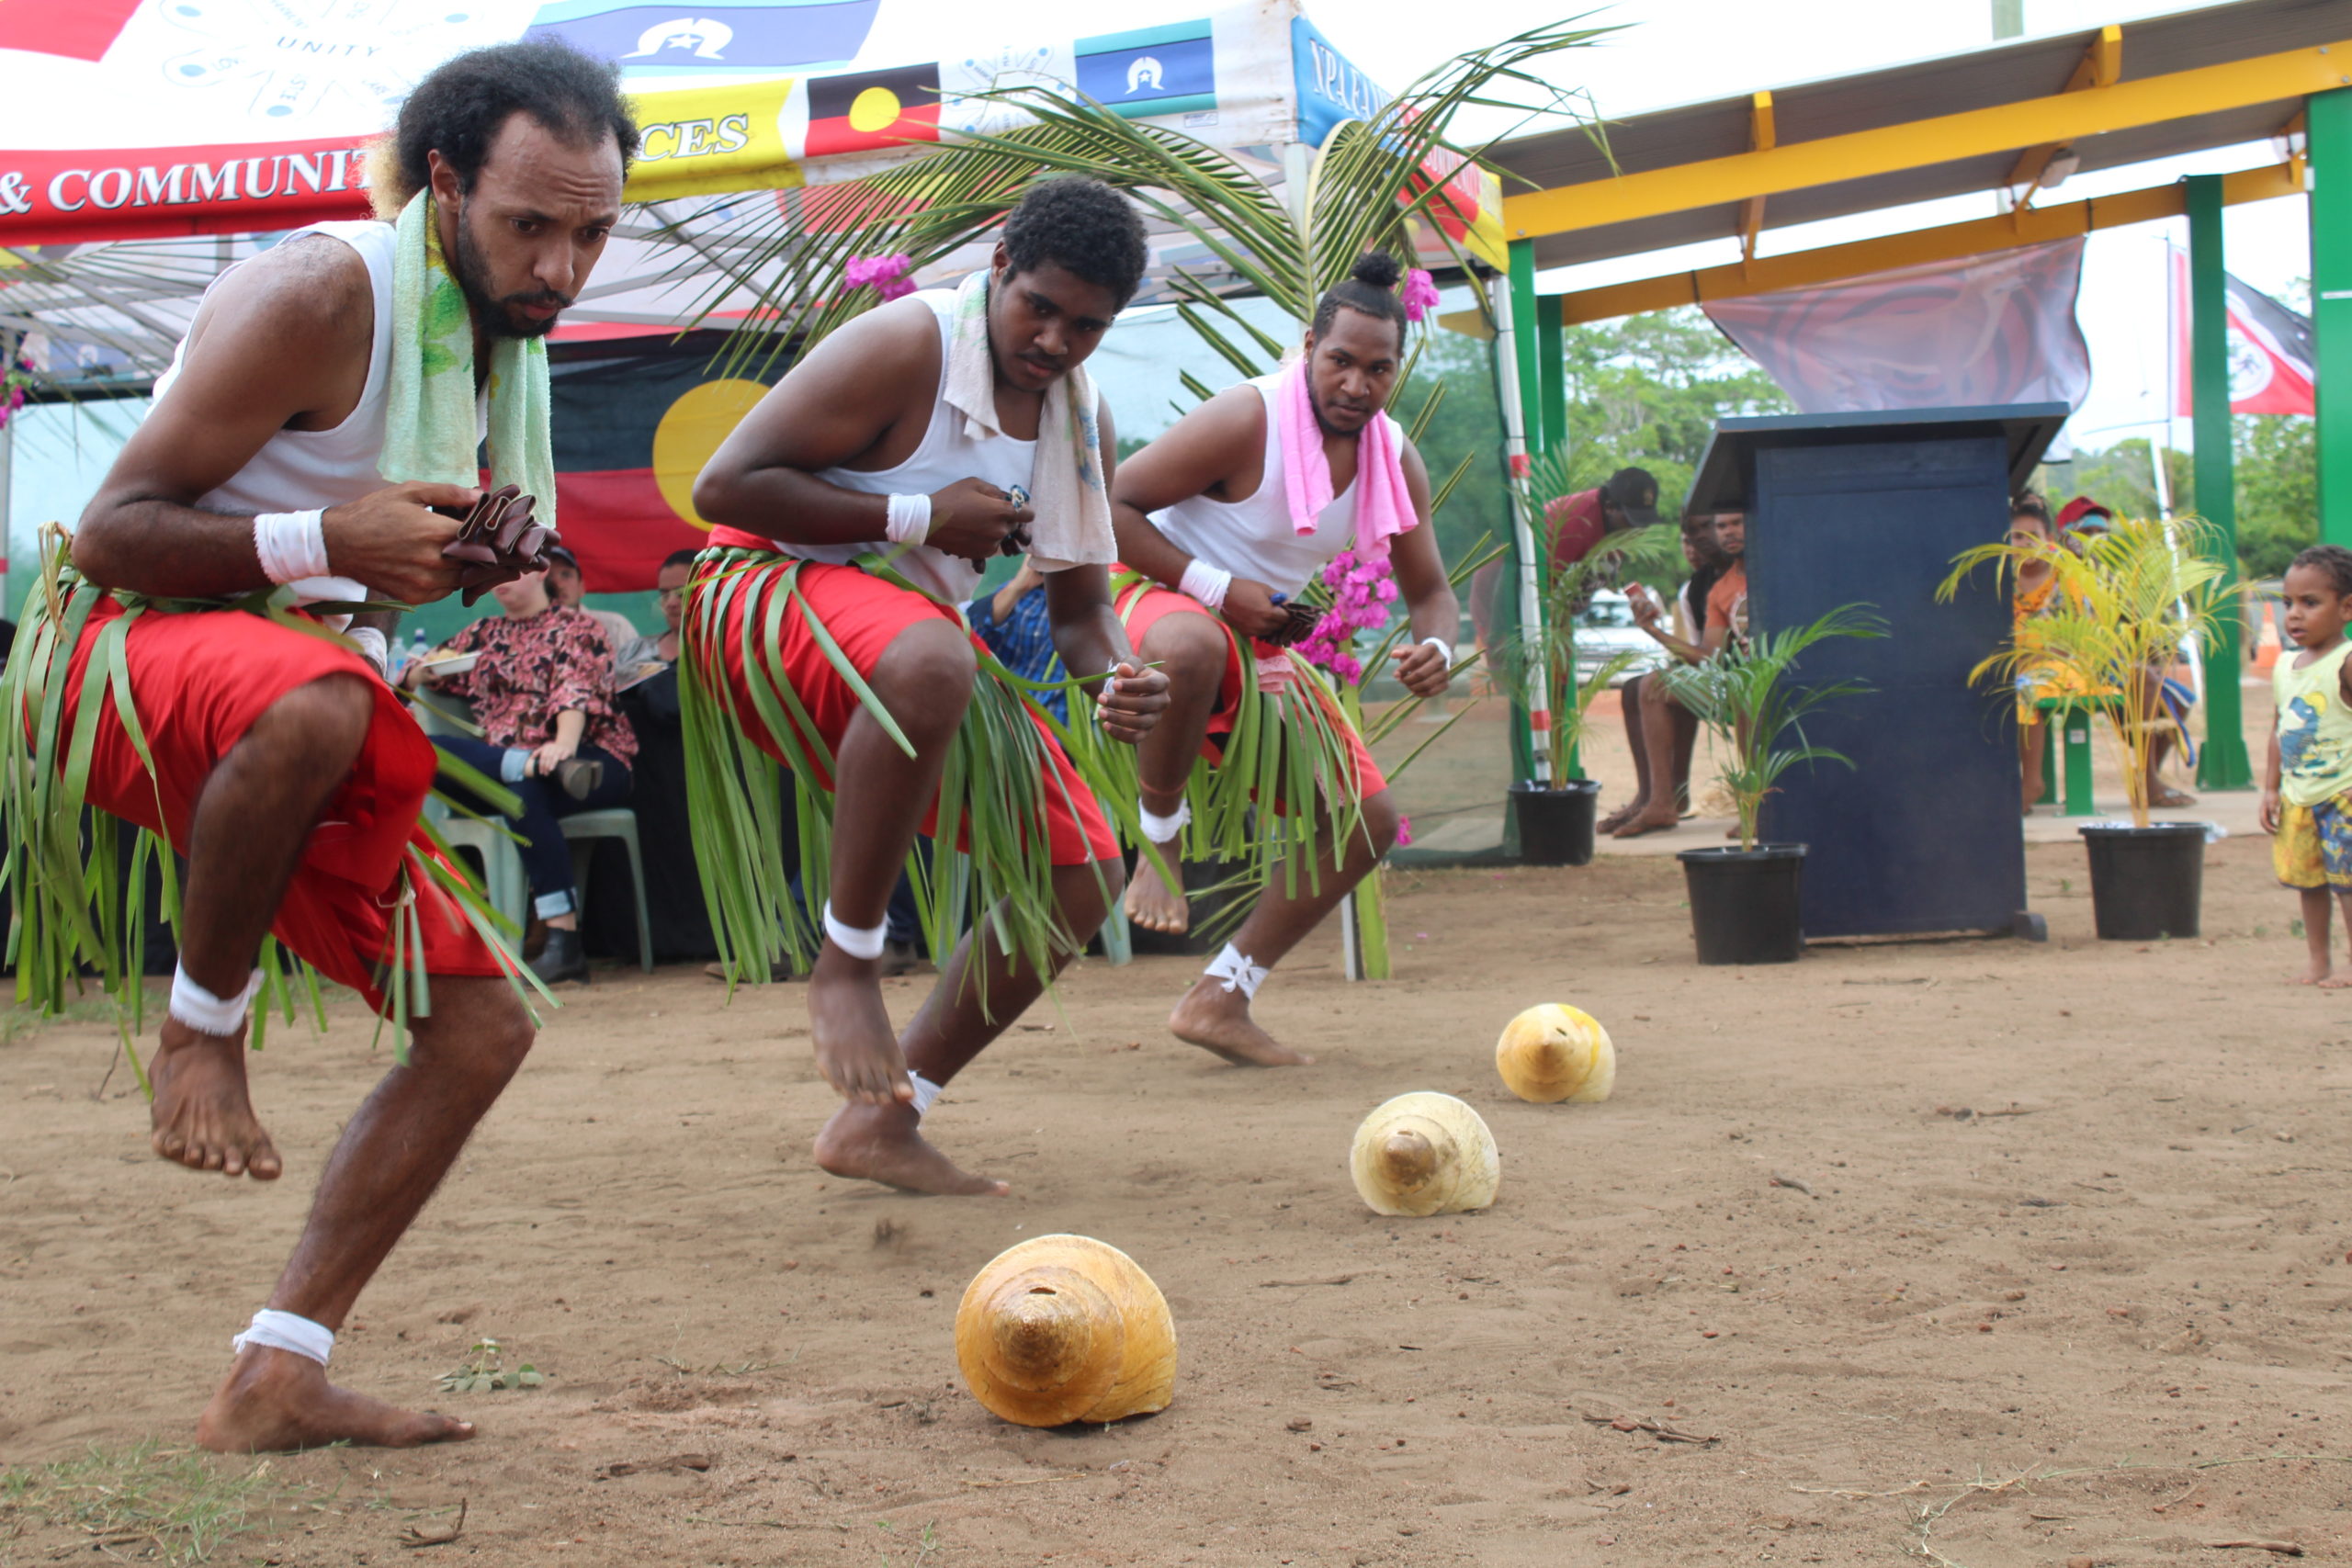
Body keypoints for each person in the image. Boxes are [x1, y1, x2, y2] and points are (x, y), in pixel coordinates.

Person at [14, 40, 635, 1450]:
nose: (560, 268)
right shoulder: (317, 290)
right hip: (116, 651)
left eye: (591, 232)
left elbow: (412, 583)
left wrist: (524, 639)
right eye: (527, 225)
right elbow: (111, 530)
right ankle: (199, 1026)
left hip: (282, 698)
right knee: (327, 698)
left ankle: (276, 1368)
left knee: (481, 1024)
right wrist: (325, 543)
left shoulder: (495, 354)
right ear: (441, 184)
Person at [687, 176, 1170, 1196]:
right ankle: (847, 961)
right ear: (998, 264)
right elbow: (723, 488)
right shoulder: (906, 341)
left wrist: (1118, 671)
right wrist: (916, 515)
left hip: (908, 651)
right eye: (1038, 305)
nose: (1053, 341)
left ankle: (886, 1117)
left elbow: (1082, 611)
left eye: (1085, 326)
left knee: (1081, 873)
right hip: (758, 594)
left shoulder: (1078, 424)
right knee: (935, 654)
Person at [1107, 251, 1458, 1067]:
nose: (1355, 386)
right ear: (1308, 347)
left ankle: (1221, 995)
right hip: (1153, 600)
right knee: (1192, 640)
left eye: (1378, 370)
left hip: (1253, 636)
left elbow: (1431, 590)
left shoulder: (1393, 455)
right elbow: (1113, 507)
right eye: (1340, 361)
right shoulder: (1248, 417)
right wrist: (1217, 586)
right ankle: (1159, 842)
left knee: (1367, 821)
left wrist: (1435, 645)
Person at [402, 566, 637, 983]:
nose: (497, 583)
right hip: (517, 765)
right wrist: (425, 672)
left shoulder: (576, 628)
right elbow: (420, 669)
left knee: (524, 793)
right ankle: (520, 765)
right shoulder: (484, 633)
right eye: (488, 577)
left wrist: (563, 745)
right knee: (422, 751)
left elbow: (573, 691)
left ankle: (563, 941)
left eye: (506, 573)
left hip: (588, 762)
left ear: (539, 570)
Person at [1613, 510, 1747, 837]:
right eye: (1720, 526)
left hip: (1778, 677)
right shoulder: (1713, 589)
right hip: (1736, 683)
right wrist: (1652, 630)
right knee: (1653, 684)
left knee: (1753, 687)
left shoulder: (1774, 564)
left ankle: (1758, 801)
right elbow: (1708, 657)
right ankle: (1660, 801)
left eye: (1735, 523)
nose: (1724, 533)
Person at [2261, 544, 2352, 985]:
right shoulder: (2284, 666)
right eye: (2287, 603)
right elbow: (2279, 729)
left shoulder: (2346, 662)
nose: (2293, 615)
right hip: (2299, 797)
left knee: (2348, 883)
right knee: (2310, 883)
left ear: (2347, 608)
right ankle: (2319, 961)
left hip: (2342, 797)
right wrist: (2270, 788)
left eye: (2310, 603)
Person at [1467, 465, 1660, 649]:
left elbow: (1577, 599)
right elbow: (1518, 585)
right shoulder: (1572, 525)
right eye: (1632, 521)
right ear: (1610, 507)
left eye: (1642, 523)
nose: (1636, 531)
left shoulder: (1615, 529)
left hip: (1543, 598)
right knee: (1513, 667)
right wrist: (1500, 637)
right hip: (1498, 591)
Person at [2007, 495, 2064, 814]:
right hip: (2014, 667)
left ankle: (2031, 782)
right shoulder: (1998, 576)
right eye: (2017, 537)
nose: (2025, 544)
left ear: (2049, 540)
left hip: (2065, 667)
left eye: (2033, 537)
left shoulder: (2069, 577)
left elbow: (2085, 635)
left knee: (2026, 687)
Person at [965, 557, 1069, 721]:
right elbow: (969, 640)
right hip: (1003, 727)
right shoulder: (1025, 593)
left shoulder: (1097, 606)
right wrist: (1017, 587)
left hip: (1058, 736)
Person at [545, 542, 639, 652]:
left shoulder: (615, 627)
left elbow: (640, 668)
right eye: (547, 578)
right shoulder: (527, 635)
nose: (558, 584)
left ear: (581, 588)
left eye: (566, 575)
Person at [613, 547, 693, 673]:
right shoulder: (633, 651)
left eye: (681, 593)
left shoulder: (724, 654)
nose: (671, 603)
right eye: (664, 594)